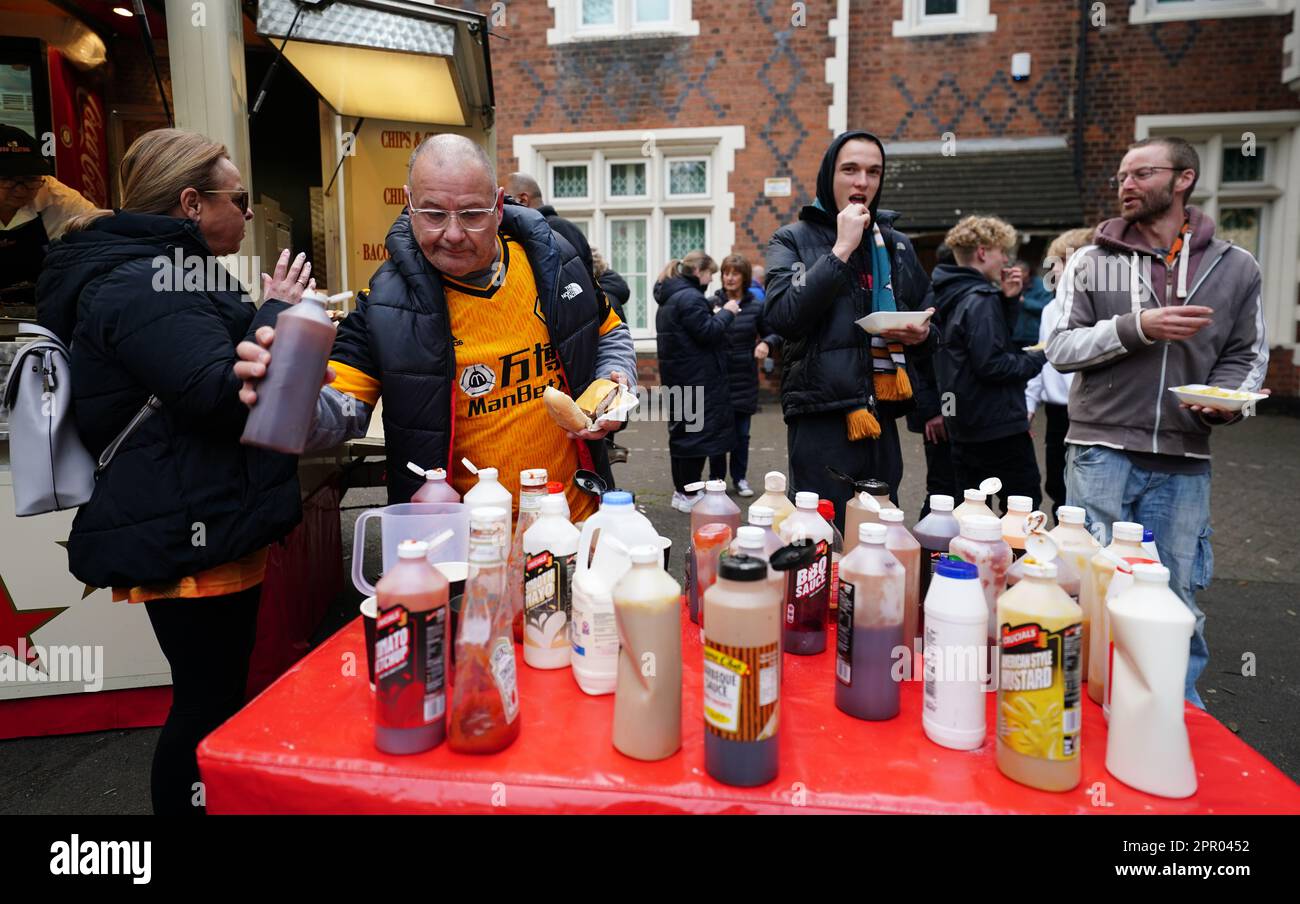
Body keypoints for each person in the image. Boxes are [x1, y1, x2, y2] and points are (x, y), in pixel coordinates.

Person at [35, 128, 308, 815]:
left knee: (212, 694)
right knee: (204, 700)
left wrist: (267, 311)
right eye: (237, 198)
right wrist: (274, 312)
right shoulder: (145, 281)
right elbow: (218, 395)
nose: (248, 212)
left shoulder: (169, 270)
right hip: (182, 521)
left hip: (199, 511)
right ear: (190, 201)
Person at [238, 135, 636, 521]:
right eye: (433, 214)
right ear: (410, 206)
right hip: (462, 545)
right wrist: (285, 396)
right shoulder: (383, 306)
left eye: (472, 214)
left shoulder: (553, 262)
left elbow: (609, 333)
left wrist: (614, 390)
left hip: (576, 521)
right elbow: (339, 412)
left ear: (498, 207)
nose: (453, 233)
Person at [1046, 136, 1269, 708]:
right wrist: (1138, 326)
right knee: (1092, 592)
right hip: (1100, 451)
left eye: (1141, 173)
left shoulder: (1236, 266)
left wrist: (1230, 400)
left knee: (1176, 598)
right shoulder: (1093, 262)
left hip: (1184, 456)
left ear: (1183, 179)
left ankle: (1175, 716)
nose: (1126, 185)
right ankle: (1085, 710)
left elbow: (1247, 354)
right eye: (1122, 175)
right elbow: (1060, 347)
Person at [764, 130, 934, 531]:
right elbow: (784, 316)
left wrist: (923, 336)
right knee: (824, 536)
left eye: (873, 172)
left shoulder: (896, 246)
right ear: (829, 175)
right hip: (820, 416)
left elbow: (934, 322)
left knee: (879, 535)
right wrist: (840, 250)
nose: (862, 182)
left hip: (882, 417)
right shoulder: (792, 239)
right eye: (850, 170)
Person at [932, 215, 1046, 511]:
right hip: (998, 427)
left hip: (965, 423)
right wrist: (1038, 357)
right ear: (983, 252)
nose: (1007, 260)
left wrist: (1008, 302)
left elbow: (976, 349)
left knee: (971, 513)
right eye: (1002, 252)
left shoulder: (950, 293)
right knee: (1021, 510)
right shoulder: (981, 298)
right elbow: (992, 364)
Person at [653, 250, 738, 511]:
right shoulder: (690, 298)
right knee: (696, 439)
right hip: (697, 379)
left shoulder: (672, 297)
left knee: (681, 435)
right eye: (710, 274)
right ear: (699, 271)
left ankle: (681, 492)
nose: (711, 279)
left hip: (679, 377)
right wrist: (727, 312)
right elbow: (707, 332)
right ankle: (689, 494)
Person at [1025, 226, 1095, 519]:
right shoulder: (1051, 310)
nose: (1053, 270)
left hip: (1093, 412)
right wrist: (1028, 406)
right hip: (1057, 414)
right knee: (1057, 484)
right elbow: (1041, 358)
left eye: (1061, 262)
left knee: (1089, 488)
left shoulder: (1102, 308)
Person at [1, 123, 97, 310]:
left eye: (30, 179)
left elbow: (100, 243)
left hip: (45, 310)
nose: (20, 189)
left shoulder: (60, 200)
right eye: (8, 179)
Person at [706, 253, 779, 497]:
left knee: (741, 434)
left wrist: (766, 344)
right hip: (716, 377)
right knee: (717, 433)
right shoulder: (710, 303)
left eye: (735, 273)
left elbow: (774, 332)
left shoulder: (756, 306)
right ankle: (716, 480)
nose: (729, 278)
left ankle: (740, 479)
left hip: (744, 377)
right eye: (726, 273)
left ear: (744, 277)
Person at [904, 246, 958, 519]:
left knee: (952, 491)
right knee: (943, 492)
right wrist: (935, 412)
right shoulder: (938, 299)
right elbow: (924, 360)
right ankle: (928, 556)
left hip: (951, 412)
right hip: (939, 415)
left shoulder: (958, 294)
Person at [1012, 258, 1053, 347]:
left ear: (1026, 272)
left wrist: (1024, 301)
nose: (1014, 275)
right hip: (1012, 334)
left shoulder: (1042, 286)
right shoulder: (1012, 283)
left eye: (1017, 273)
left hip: (1031, 336)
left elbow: (1045, 307)